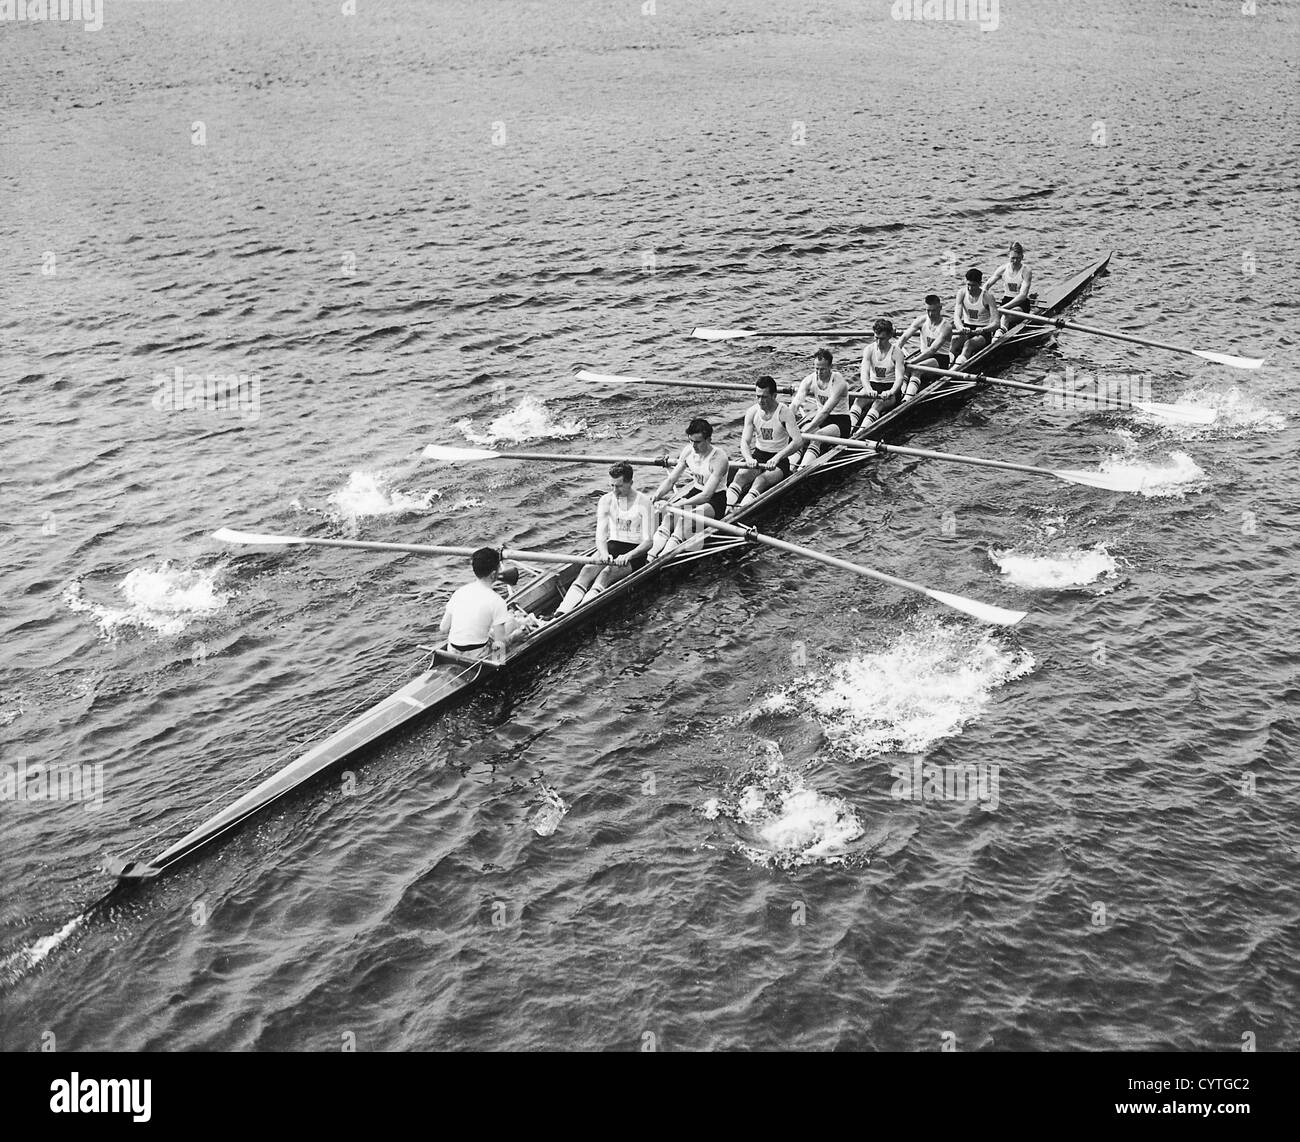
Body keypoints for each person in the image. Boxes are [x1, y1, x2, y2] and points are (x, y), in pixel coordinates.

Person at [554, 461, 655, 615]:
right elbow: (600, 537)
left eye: (619, 486)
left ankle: (579, 612)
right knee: (587, 570)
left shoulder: (644, 502)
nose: (615, 491)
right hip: (612, 547)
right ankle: (561, 612)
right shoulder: (606, 501)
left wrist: (628, 556)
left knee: (606, 573)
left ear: (630, 483)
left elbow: (648, 542)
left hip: (636, 554)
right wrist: (603, 553)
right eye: (612, 486)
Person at [648, 417, 730, 560]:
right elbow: (671, 479)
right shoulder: (688, 451)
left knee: (684, 519)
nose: (693, 446)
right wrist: (657, 495)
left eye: (697, 442)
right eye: (690, 441)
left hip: (715, 499)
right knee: (669, 516)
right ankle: (652, 554)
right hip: (696, 491)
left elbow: (706, 496)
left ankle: (662, 558)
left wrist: (674, 505)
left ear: (709, 440)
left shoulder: (719, 458)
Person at [726, 375, 804, 508]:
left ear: (774, 396)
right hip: (759, 456)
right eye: (758, 396)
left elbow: (798, 441)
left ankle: (737, 513)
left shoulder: (784, 413)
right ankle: (725, 509)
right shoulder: (752, 412)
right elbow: (745, 442)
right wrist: (748, 458)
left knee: (760, 480)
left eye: (764, 397)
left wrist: (777, 457)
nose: (760, 401)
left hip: (779, 461)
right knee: (739, 476)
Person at [439, 546, 522, 656]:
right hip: (478, 654)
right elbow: (500, 645)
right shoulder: (497, 601)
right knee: (512, 622)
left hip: (452, 651)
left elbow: (443, 628)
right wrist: (515, 637)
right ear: (493, 574)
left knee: (500, 623)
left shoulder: (459, 592)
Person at [790, 348, 853, 468]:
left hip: (840, 421)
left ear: (831, 367)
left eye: (822, 369)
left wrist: (809, 428)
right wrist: (785, 423)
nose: (818, 373)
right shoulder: (809, 380)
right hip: (823, 420)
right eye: (816, 368)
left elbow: (826, 411)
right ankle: (789, 468)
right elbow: (795, 404)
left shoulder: (838, 382)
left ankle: (800, 471)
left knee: (817, 436)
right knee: (798, 435)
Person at [850, 318, 906, 434]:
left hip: (890, 389)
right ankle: (848, 430)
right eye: (876, 338)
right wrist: (868, 388)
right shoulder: (869, 350)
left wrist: (891, 392)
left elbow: (899, 378)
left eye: (882, 339)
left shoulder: (897, 353)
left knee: (878, 403)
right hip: (874, 386)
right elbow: (864, 374)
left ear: (890, 336)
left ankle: (859, 434)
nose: (879, 342)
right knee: (859, 399)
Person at [897, 293, 953, 398]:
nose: (931, 314)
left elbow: (932, 350)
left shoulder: (946, 327)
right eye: (928, 310)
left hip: (940, 359)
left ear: (940, 308)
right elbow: (903, 338)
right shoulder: (921, 320)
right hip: (924, 356)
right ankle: (899, 394)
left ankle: (906, 400)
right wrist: (894, 353)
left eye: (934, 310)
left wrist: (911, 362)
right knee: (903, 370)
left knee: (917, 369)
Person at [950, 267, 999, 366]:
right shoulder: (962, 293)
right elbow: (956, 317)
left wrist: (984, 329)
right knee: (954, 341)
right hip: (966, 328)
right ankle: (947, 363)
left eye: (973, 285)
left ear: (980, 284)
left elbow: (996, 323)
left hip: (983, 332)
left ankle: (955, 369)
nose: (970, 289)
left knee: (969, 344)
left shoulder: (987, 297)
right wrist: (960, 328)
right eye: (968, 285)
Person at [987, 241, 1033, 336]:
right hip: (1006, 301)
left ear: (1022, 257)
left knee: (1005, 316)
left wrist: (1003, 308)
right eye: (1013, 258)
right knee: (988, 316)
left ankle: (996, 339)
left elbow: (1022, 296)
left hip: (1021, 305)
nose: (1015, 261)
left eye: (1018, 258)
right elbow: (987, 285)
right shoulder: (1003, 269)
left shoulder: (1026, 271)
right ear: (1008, 256)